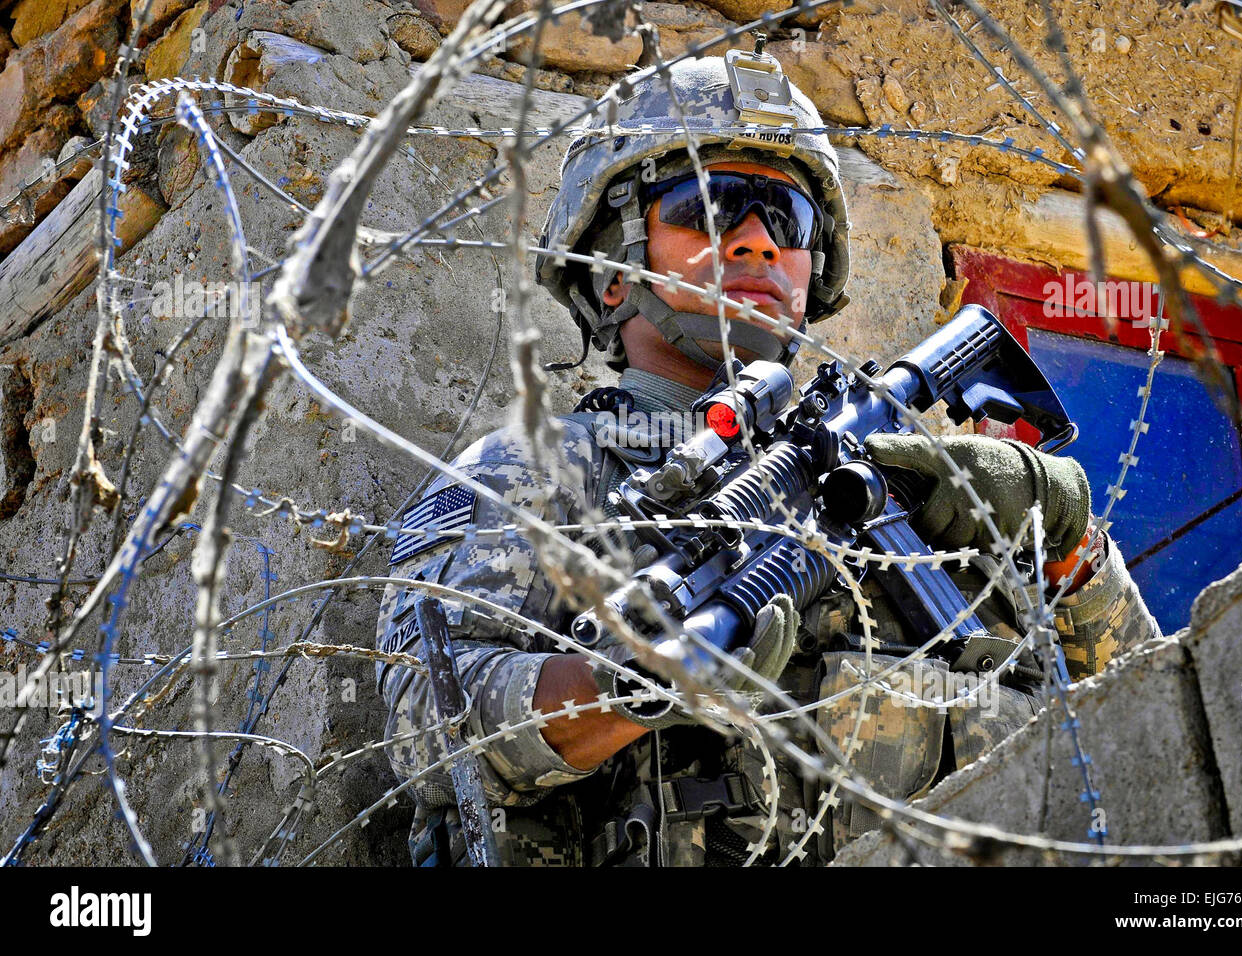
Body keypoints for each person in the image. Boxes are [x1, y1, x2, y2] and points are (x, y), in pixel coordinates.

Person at [373, 49, 1161, 866]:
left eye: (787, 220)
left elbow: (1153, 739)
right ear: (613, 272)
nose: (755, 243)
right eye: (708, 209)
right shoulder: (539, 472)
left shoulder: (911, 482)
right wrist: (630, 685)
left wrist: (1068, 548)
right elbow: (421, 735)